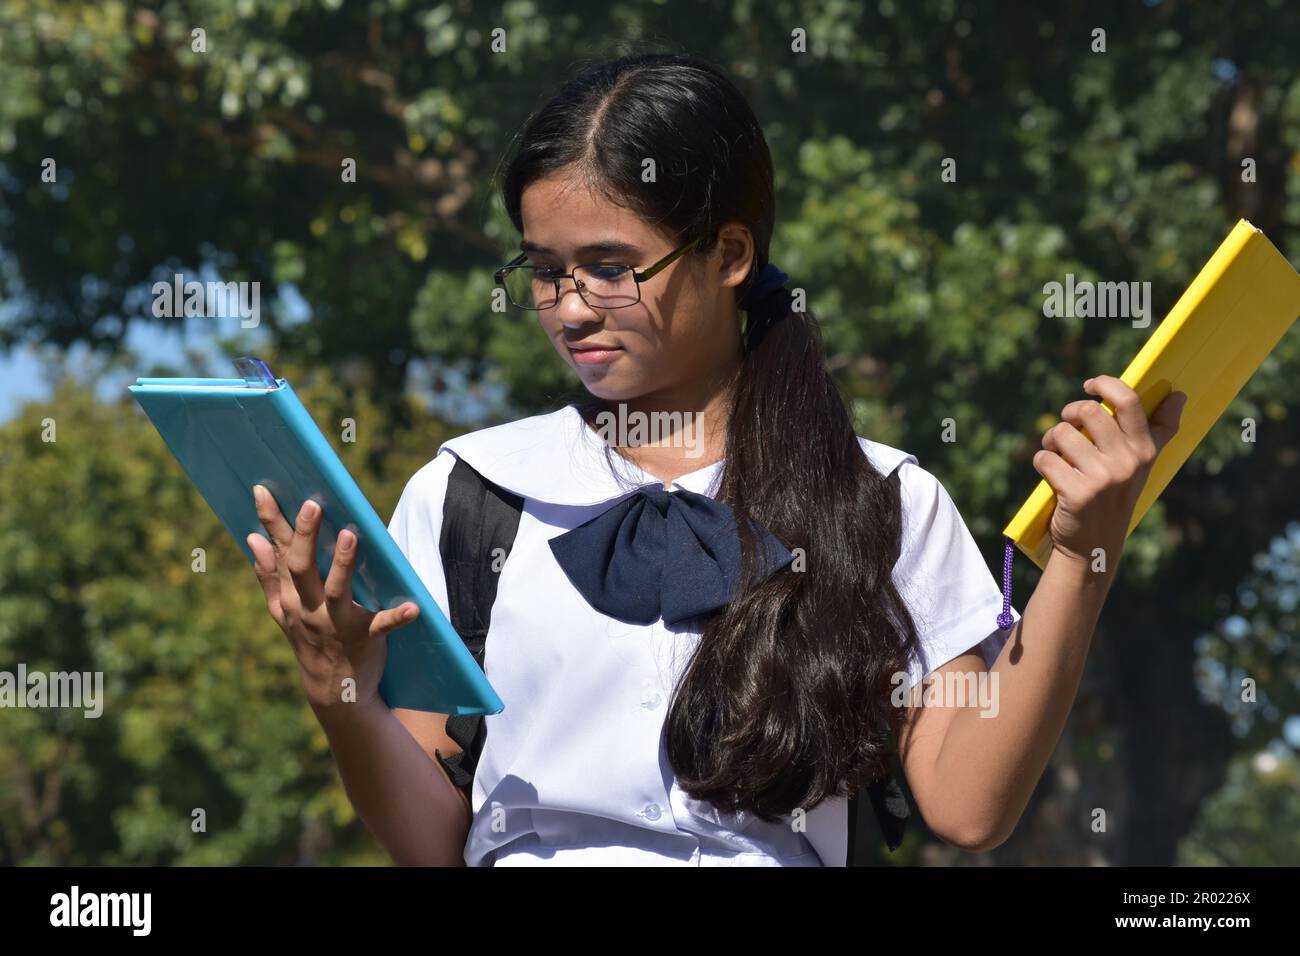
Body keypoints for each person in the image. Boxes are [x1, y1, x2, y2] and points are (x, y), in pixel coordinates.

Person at [245, 52, 1186, 866]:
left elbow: (969, 804)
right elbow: (431, 844)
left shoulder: (886, 500)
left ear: (730, 251)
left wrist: (1082, 554)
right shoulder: (469, 492)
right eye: (542, 270)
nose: (570, 308)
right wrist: (340, 692)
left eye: (612, 267)